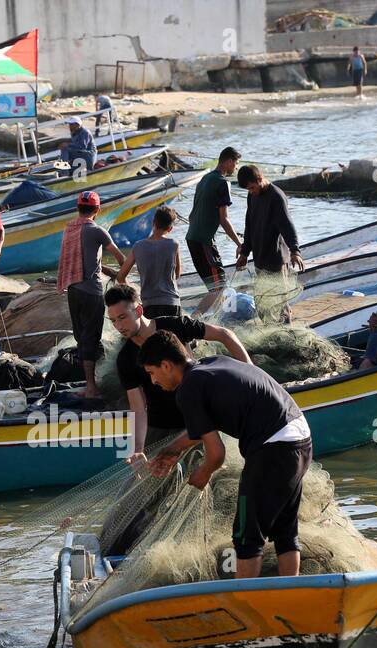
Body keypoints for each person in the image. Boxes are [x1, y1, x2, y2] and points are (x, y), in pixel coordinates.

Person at [140, 331, 312, 579]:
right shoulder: (211, 365)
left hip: (272, 448)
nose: (153, 381)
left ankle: (246, 600)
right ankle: (290, 594)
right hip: (300, 439)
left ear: (166, 365)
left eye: (152, 373)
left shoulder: (188, 389)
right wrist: (174, 448)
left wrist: (203, 473)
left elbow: (217, 453)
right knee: (285, 531)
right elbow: (205, 429)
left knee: (246, 536)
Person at [105, 282, 250, 468]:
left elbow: (225, 334)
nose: (118, 326)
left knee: (202, 473)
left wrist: (251, 371)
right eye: (113, 321)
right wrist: (138, 448)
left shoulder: (174, 325)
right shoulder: (125, 358)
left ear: (139, 310)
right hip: (159, 426)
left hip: (194, 420)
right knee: (152, 477)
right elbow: (138, 408)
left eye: (122, 317)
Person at [56, 190, 123, 399]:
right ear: (97, 210)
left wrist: (109, 272)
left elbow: (86, 262)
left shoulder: (69, 229)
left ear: (78, 208)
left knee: (81, 338)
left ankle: (88, 384)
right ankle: (92, 388)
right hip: (91, 293)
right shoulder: (97, 231)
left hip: (73, 290)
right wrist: (123, 278)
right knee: (91, 339)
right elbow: (121, 258)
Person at [235, 164, 302, 324]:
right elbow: (249, 225)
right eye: (248, 189)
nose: (251, 191)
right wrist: (244, 252)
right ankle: (269, 329)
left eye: (252, 187)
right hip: (260, 258)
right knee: (263, 302)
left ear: (260, 179)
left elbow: (287, 225)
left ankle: (286, 331)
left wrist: (295, 251)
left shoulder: (276, 196)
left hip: (276, 259)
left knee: (279, 302)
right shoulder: (252, 196)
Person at [185, 146, 242, 316]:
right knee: (219, 287)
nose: (236, 168)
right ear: (229, 161)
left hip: (192, 238)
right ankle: (193, 320)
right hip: (204, 241)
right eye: (236, 163)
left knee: (215, 286)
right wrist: (239, 243)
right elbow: (224, 219)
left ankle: (216, 318)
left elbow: (192, 215)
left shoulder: (205, 178)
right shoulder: (223, 183)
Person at [117, 205, 182, 319]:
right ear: (170, 229)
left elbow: (120, 277)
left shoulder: (138, 246)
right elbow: (177, 275)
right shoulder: (174, 244)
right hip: (171, 303)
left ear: (153, 223)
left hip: (148, 305)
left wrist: (135, 297)